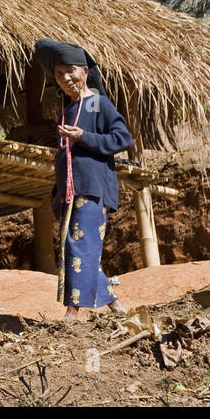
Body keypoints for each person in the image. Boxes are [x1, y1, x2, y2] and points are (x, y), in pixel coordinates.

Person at [34, 39, 132, 320]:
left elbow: (123, 138)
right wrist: (56, 195)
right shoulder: (67, 111)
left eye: (70, 71)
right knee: (75, 245)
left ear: (85, 72)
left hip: (93, 188)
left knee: (79, 245)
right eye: (58, 74)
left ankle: (72, 312)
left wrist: (84, 137)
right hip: (69, 192)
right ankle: (114, 305)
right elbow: (64, 157)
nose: (65, 78)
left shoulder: (97, 104)